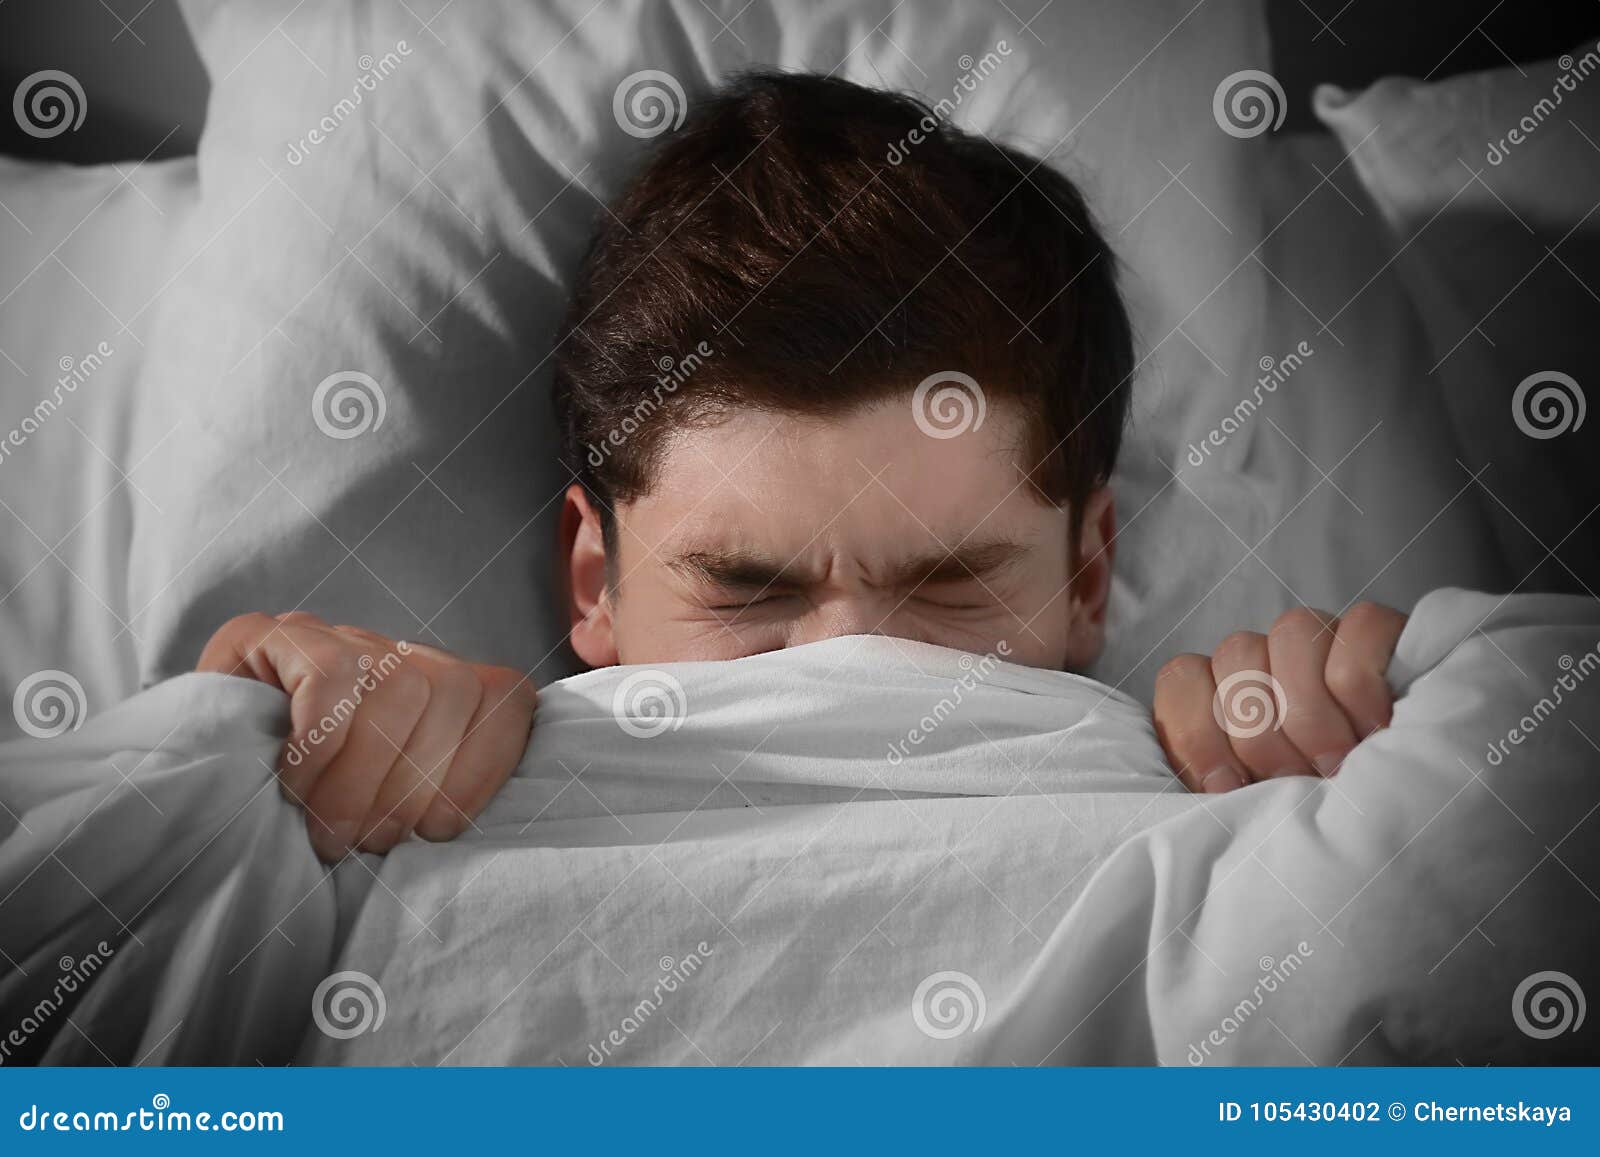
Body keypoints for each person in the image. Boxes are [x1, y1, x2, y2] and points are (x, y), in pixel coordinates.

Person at [196, 73, 1407, 862]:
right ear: (592, 586)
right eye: (743, 586)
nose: (853, 661)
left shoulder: (1274, 815)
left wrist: (1390, 726)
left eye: (950, 581)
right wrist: (230, 752)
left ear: (1088, 576)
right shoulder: (386, 819)